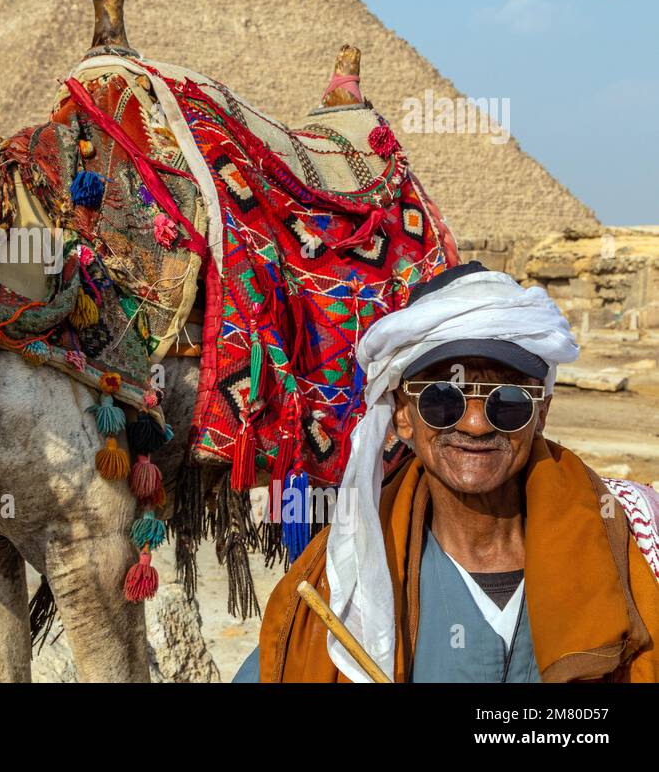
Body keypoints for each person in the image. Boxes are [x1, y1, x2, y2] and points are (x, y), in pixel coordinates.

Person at [234, 263, 659, 682]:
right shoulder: (341, 575)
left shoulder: (624, 541)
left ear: (541, 414)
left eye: (508, 400)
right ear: (403, 415)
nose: (475, 424)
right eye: (442, 399)